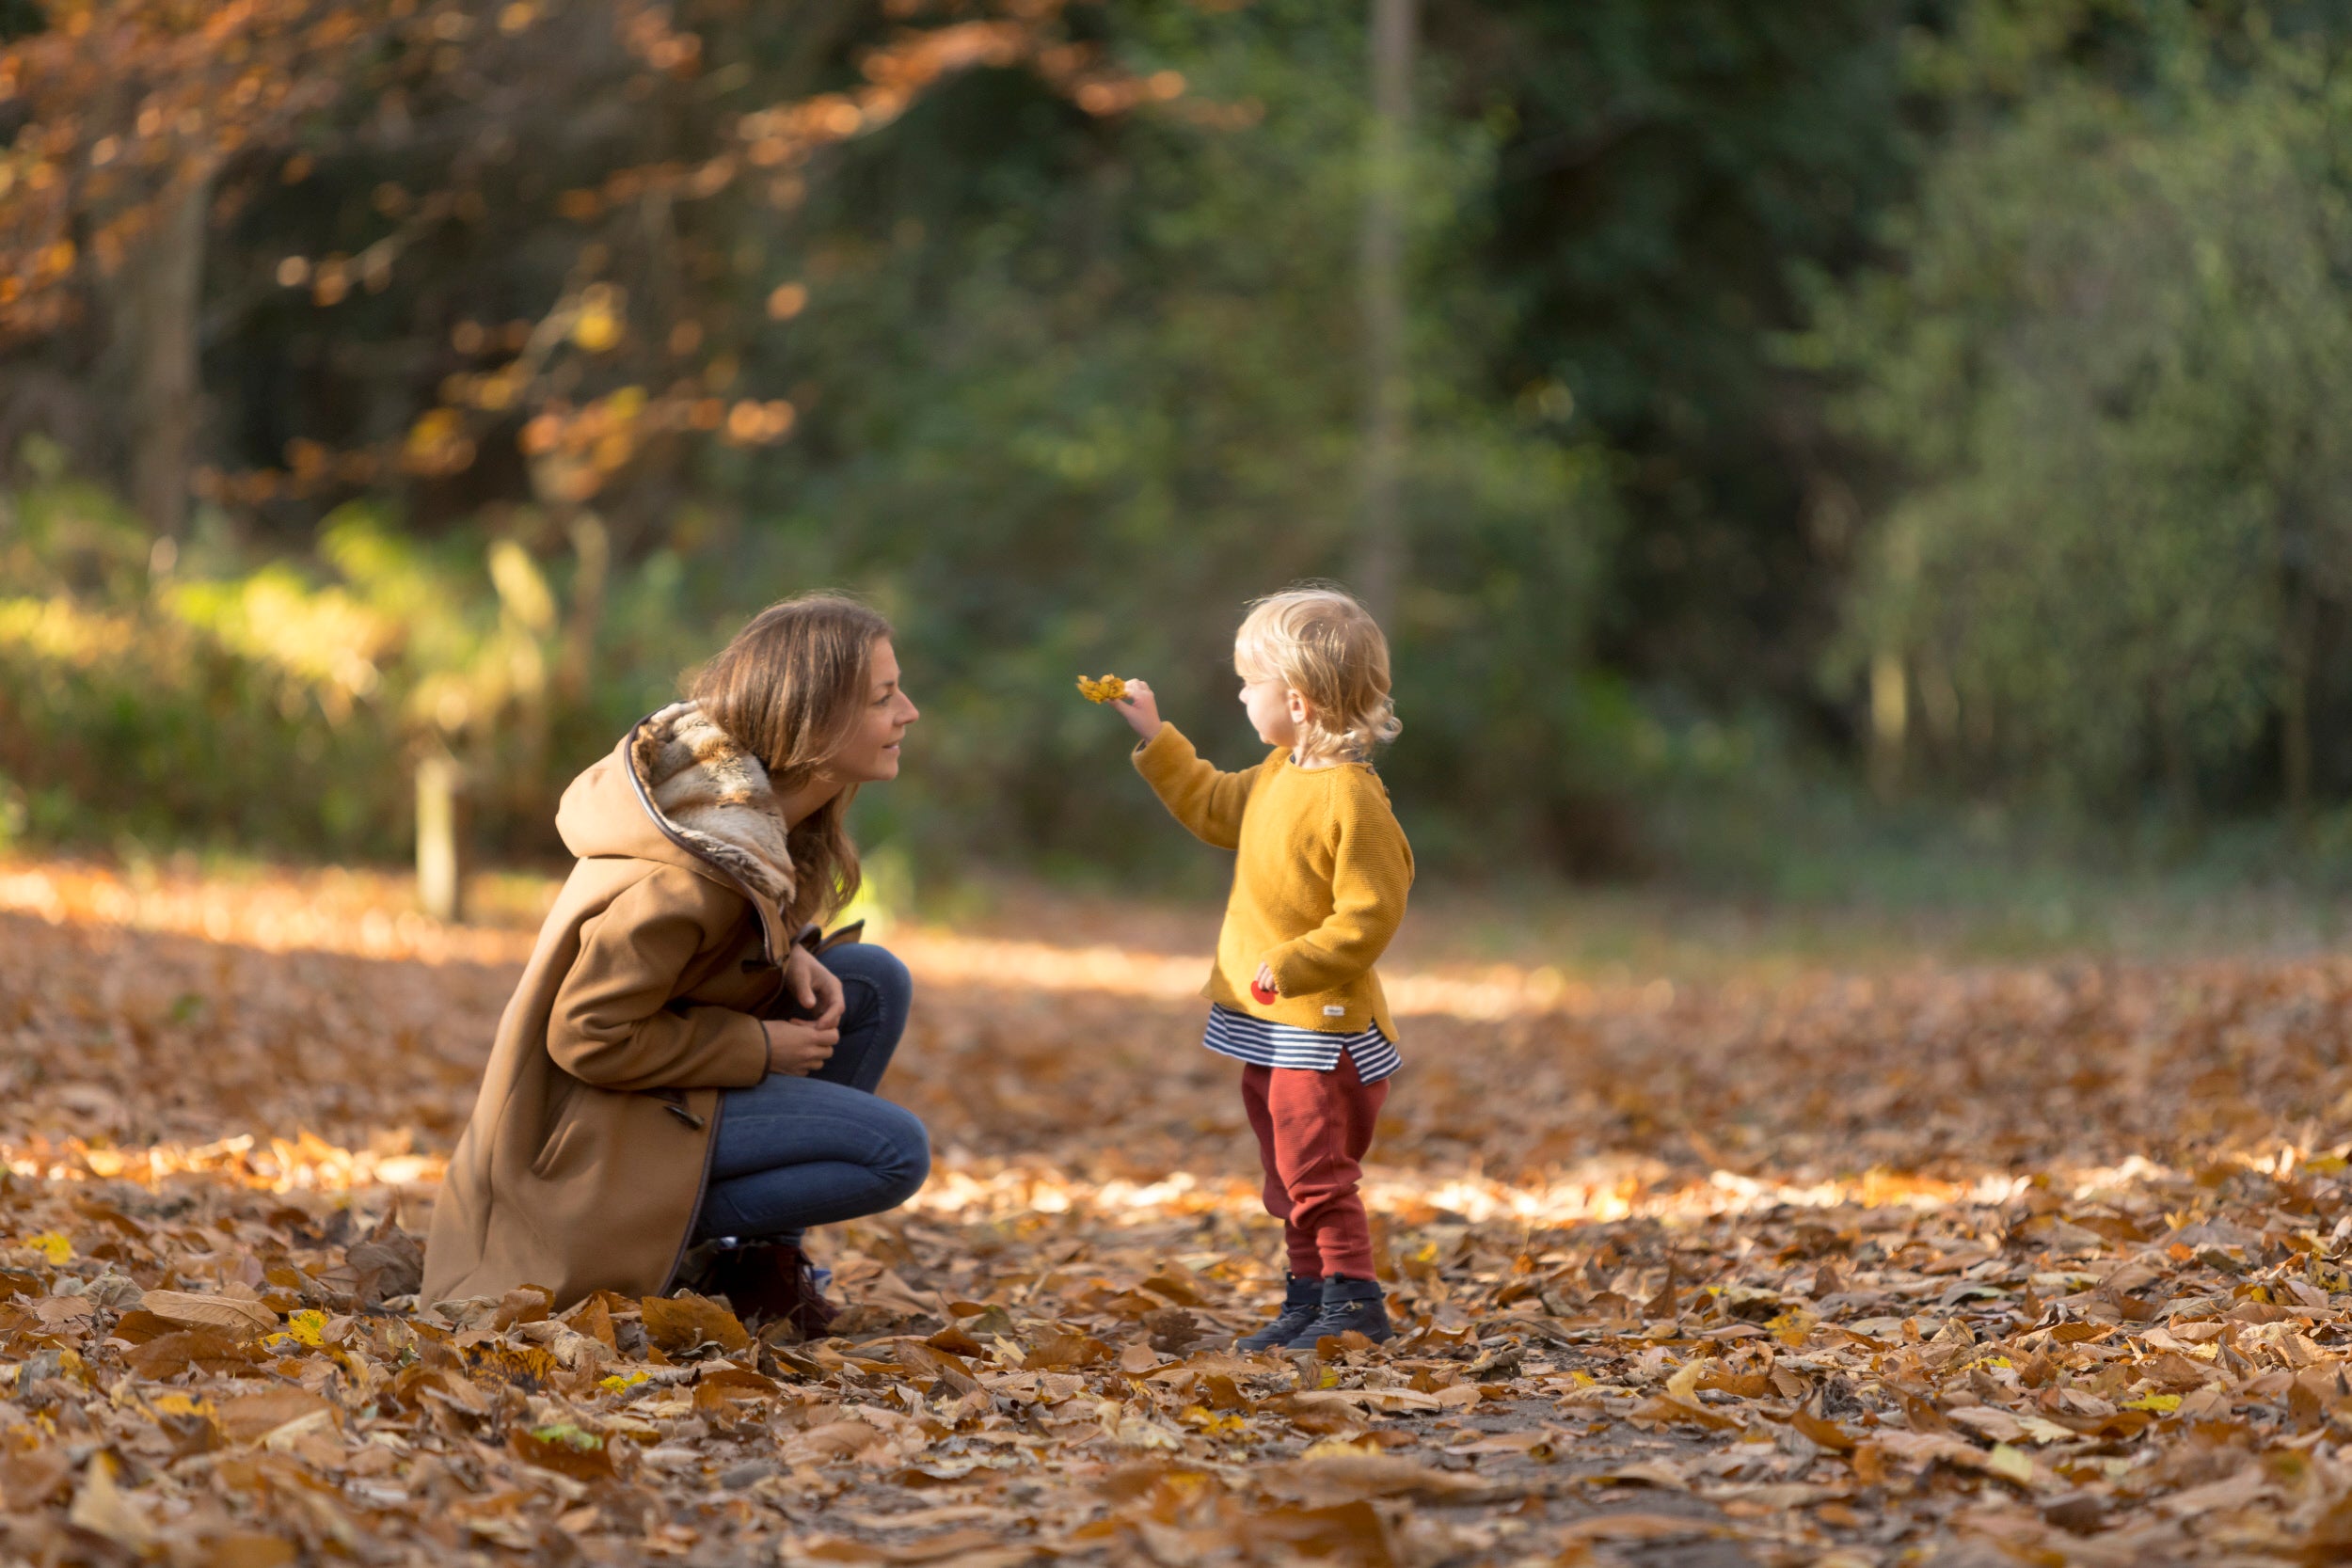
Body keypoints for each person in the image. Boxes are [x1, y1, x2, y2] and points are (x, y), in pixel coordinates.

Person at [423, 594, 929, 1335]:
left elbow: (705, 952)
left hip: (644, 1102)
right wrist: (760, 1047)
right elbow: (587, 1034)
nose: (909, 711)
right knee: (894, 1152)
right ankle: (678, 1230)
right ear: (815, 720)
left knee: (871, 983)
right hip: (583, 1154)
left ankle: (761, 1264)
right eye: (885, 697)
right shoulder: (686, 874)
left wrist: (785, 951)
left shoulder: (749, 826)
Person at [1104, 585, 1413, 1347]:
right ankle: (1307, 1299)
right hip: (1269, 1024)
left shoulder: (1351, 798)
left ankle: (1353, 1304)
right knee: (1286, 1173)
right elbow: (1212, 804)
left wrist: (1299, 961)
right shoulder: (1278, 775)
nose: (1241, 696)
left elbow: (1372, 911)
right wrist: (1156, 736)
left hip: (1321, 1025)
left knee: (1318, 1169)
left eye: (1251, 684)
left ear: (1300, 702)